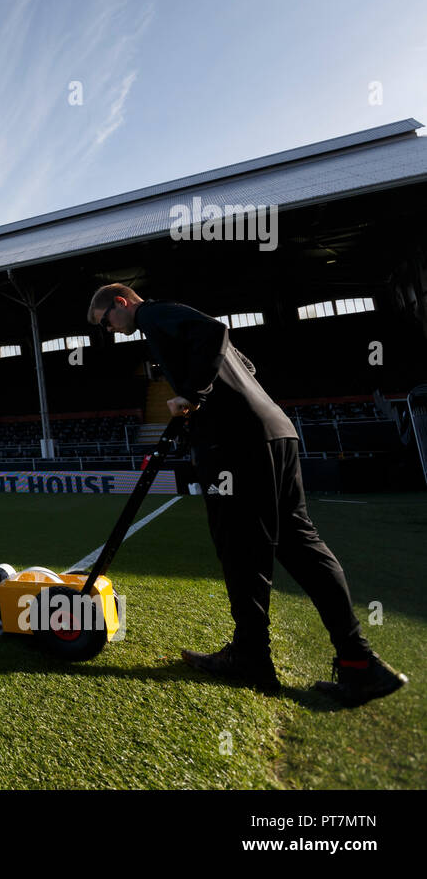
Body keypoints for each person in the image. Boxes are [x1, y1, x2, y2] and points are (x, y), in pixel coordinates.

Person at [86, 283, 407, 706]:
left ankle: (252, 658)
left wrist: (194, 394)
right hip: (276, 432)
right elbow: (246, 366)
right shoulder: (168, 324)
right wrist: (200, 403)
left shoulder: (154, 315)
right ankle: (359, 663)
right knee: (299, 543)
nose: (108, 330)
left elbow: (215, 331)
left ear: (121, 303)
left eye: (105, 321)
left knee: (241, 548)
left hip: (237, 446)